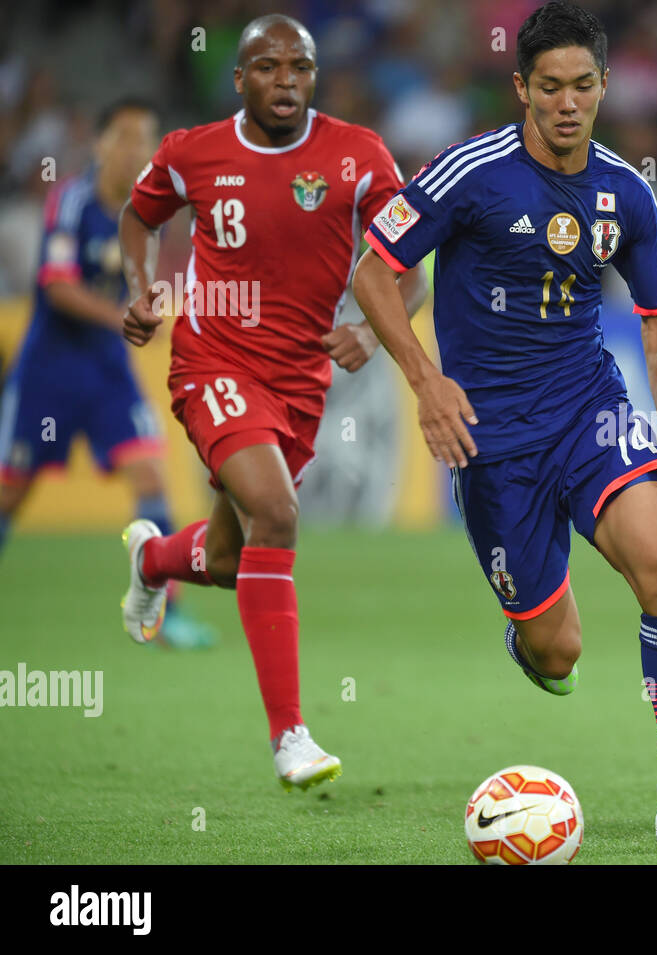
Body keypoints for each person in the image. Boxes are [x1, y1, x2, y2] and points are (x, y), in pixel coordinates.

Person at [352, 0, 657, 849]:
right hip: (491, 441)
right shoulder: (470, 174)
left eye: (583, 86)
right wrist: (426, 380)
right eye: (549, 87)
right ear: (522, 87)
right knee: (557, 651)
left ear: (603, 87)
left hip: (588, 414)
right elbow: (376, 272)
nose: (567, 103)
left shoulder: (625, 191)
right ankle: (533, 641)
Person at [118, 14, 426, 789]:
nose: (285, 80)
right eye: (267, 67)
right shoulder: (193, 152)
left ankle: (153, 557)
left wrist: (375, 330)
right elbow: (137, 216)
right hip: (211, 360)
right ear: (239, 78)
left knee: (229, 558)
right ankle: (290, 735)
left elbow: (409, 263)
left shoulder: (360, 156)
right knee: (280, 513)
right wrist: (142, 287)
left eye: (300, 66)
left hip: (299, 382)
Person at [0, 97, 215, 649]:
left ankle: (167, 611)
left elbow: (144, 282)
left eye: (144, 138)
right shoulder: (70, 200)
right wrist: (124, 314)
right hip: (48, 370)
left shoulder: (152, 210)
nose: (135, 148)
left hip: (106, 371)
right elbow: (57, 284)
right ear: (99, 145)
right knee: (10, 496)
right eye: (123, 136)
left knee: (150, 477)